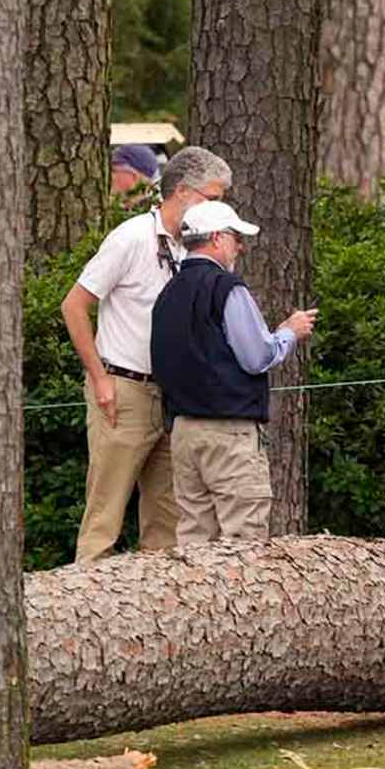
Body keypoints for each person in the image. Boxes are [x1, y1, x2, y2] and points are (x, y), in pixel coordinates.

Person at [60, 146, 233, 564]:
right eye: (214, 198)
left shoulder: (191, 249)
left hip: (172, 394)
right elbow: (73, 305)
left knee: (168, 519)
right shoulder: (132, 237)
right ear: (186, 193)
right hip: (124, 388)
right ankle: (84, 605)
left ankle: (154, 612)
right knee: (106, 511)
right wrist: (100, 378)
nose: (220, 208)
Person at [150, 201, 317, 544]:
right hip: (229, 433)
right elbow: (257, 356)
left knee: (194, 540)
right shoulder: (226, 287)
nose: (240, 245)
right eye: (234, 237)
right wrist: (288, 332)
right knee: (244, 545)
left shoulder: (167, 293)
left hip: (183, 431)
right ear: (215, 238)